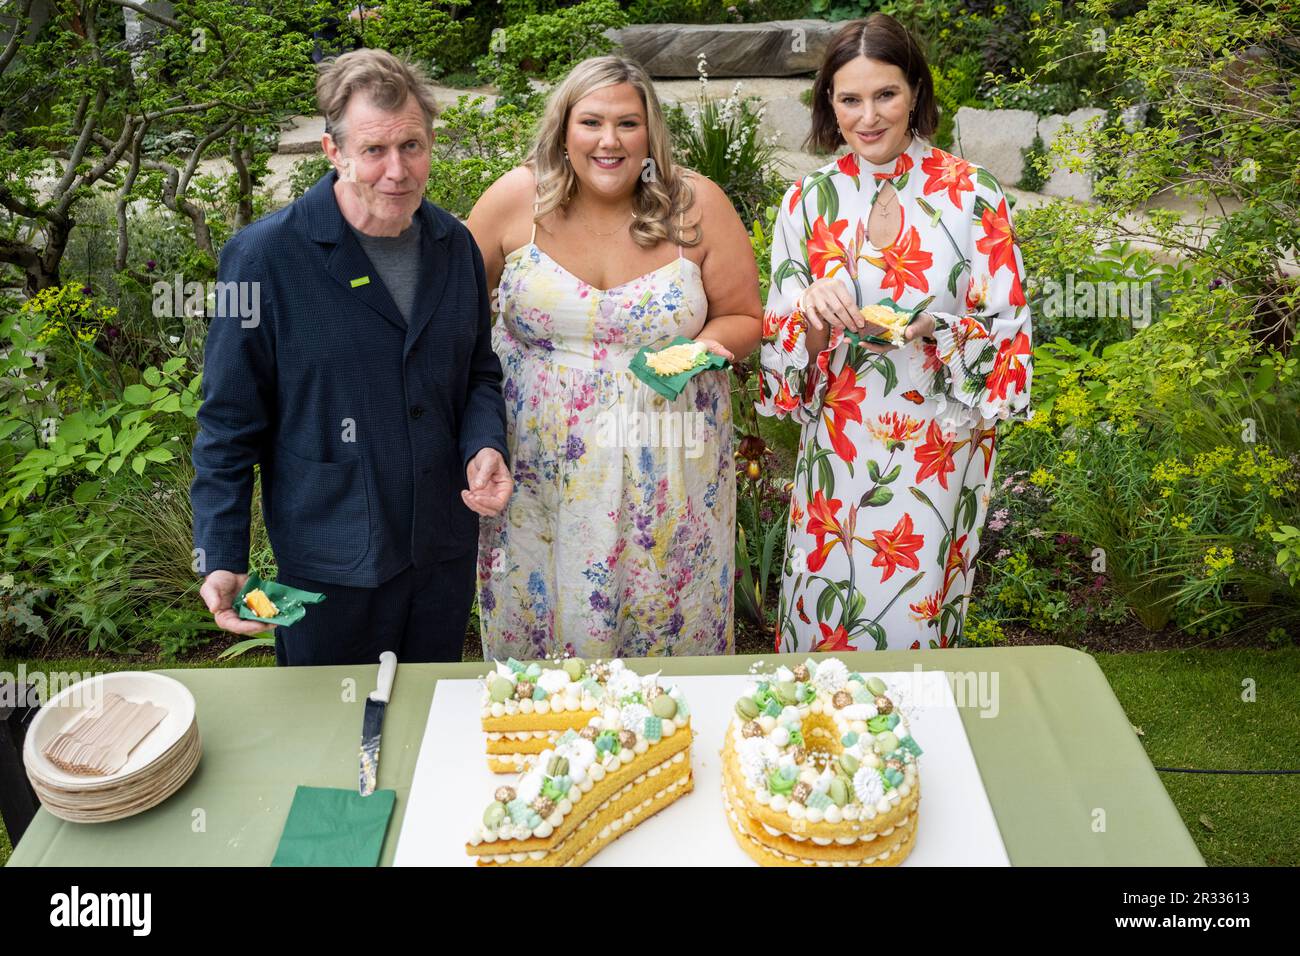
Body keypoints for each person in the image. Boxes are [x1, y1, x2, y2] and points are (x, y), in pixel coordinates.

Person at [191, 49, 511, 665]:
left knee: (423, 733)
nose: (398, 170)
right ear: (333, 153)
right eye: (374, 151)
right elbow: (229, 423)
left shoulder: (456, 245)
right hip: (328, 558)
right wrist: (222, 553)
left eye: (412, 146)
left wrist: (485, 445)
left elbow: (477, 374)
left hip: (440, 552)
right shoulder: (263, 259)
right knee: (329, 741)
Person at [467, 55, 763, 659]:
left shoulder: (697, 205)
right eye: (592, 122)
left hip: (670, 457)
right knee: (544, 626)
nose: (609, 141)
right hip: (537, 464)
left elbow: (746, 317)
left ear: (650, 131)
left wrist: (704, 347)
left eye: (628, 123)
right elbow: (454, 320)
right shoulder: (514, 200)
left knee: (664, 621)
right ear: (564, 129)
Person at [757, 14, 1033, 651]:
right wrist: (807, 314)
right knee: (825, 605)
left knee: (915, 611)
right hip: (839, 441)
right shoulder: (806, 201)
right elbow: (781, 354)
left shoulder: (972, 195)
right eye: (850, 99)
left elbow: (1010, 334)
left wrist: (939, 328)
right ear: (829, 101)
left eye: (886, 95)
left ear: (916, 91)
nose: (868, 116)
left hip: (938, 443)